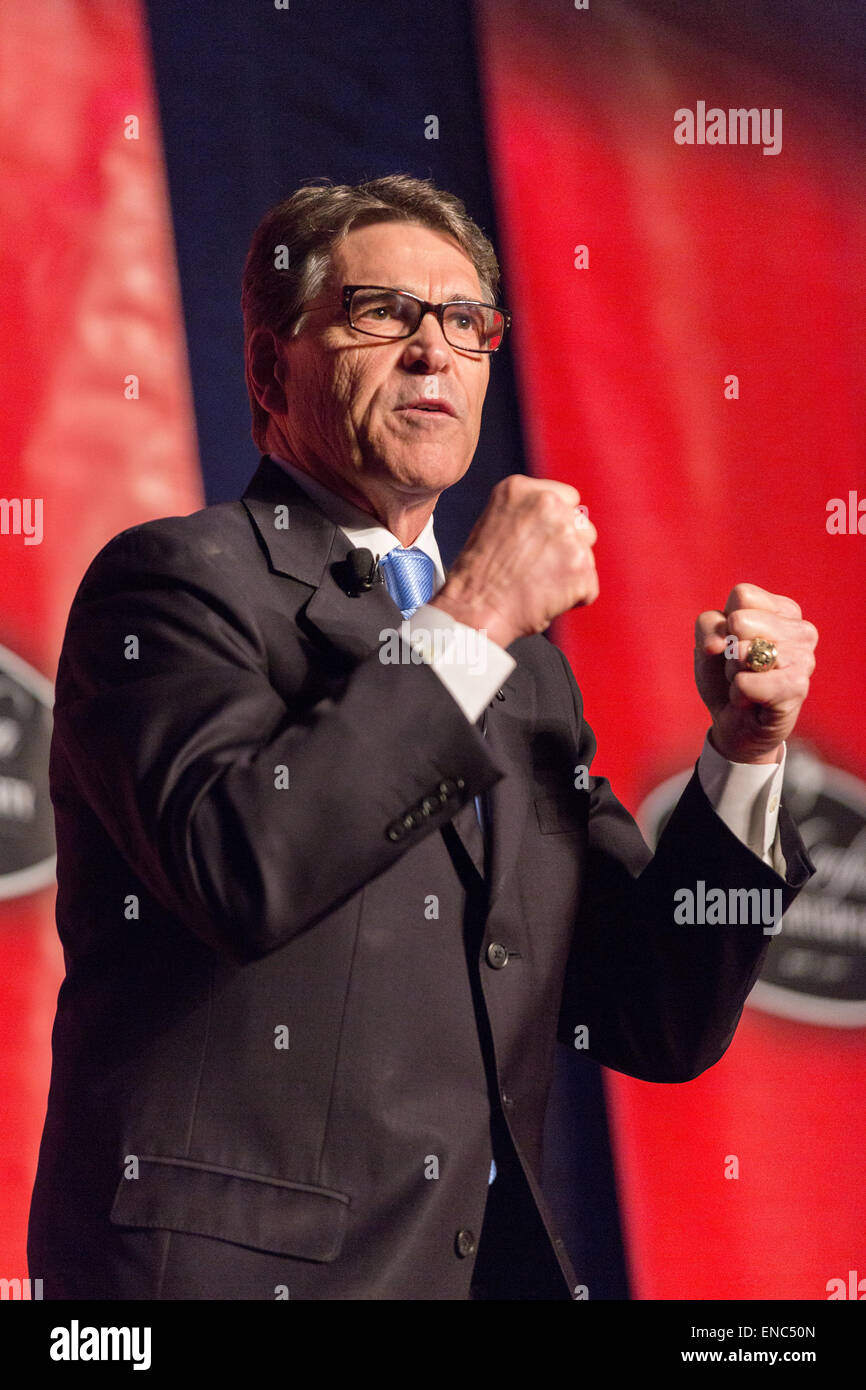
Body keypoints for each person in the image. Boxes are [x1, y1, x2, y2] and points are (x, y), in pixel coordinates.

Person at [28, 175, 817, 1300]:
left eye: (463, 322)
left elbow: (653, 1009)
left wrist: (743, 752)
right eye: (380, 313)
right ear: (267, 369)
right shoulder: (177, 585)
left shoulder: (523, 670)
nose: (430, 351)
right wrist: (478, 610)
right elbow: (244, 868)